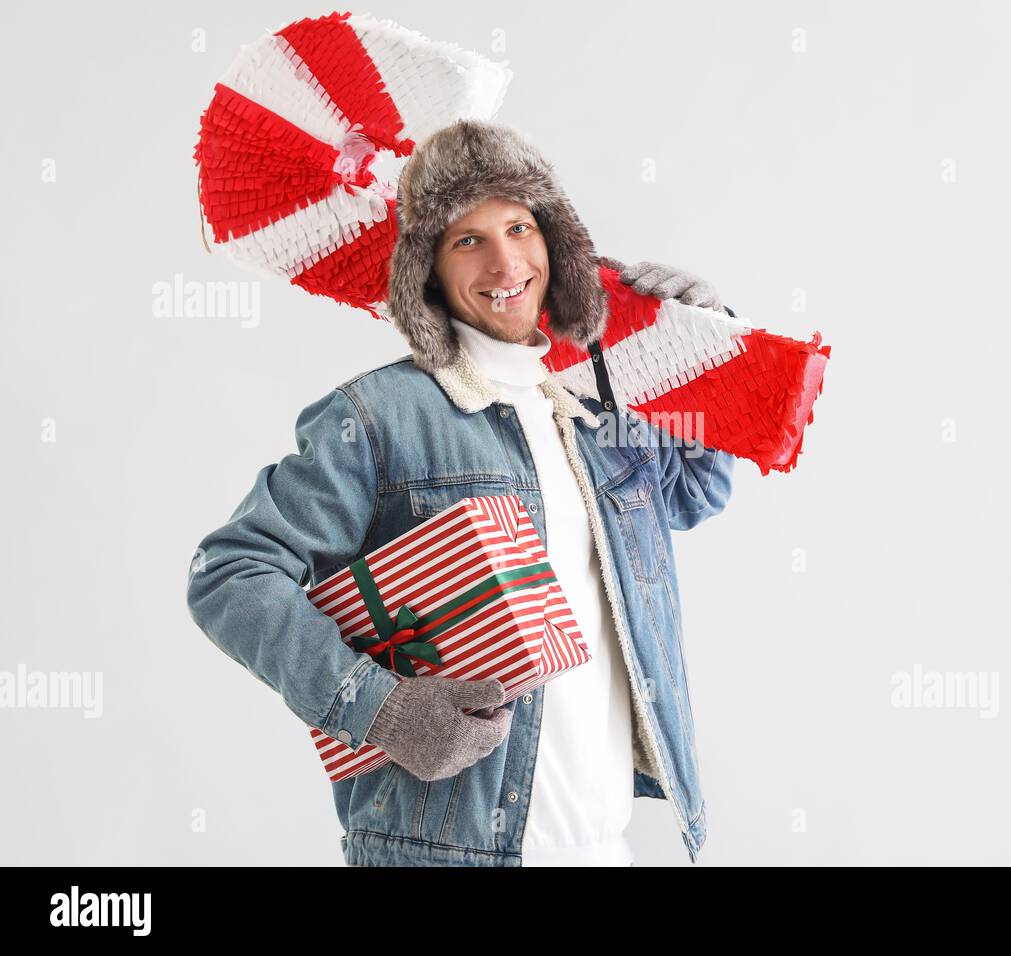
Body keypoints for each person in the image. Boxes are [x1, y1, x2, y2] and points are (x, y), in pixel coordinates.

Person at [186, 119, 736, 866]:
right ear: (430, 272)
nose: (506, 261)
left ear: (555, 241)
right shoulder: (382, 417)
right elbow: (230, 573)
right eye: (467, 239)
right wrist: (378, 708)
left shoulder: (592, 409)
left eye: (519, 225)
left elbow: (696, 492)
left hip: (601, 848)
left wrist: (706, 341)